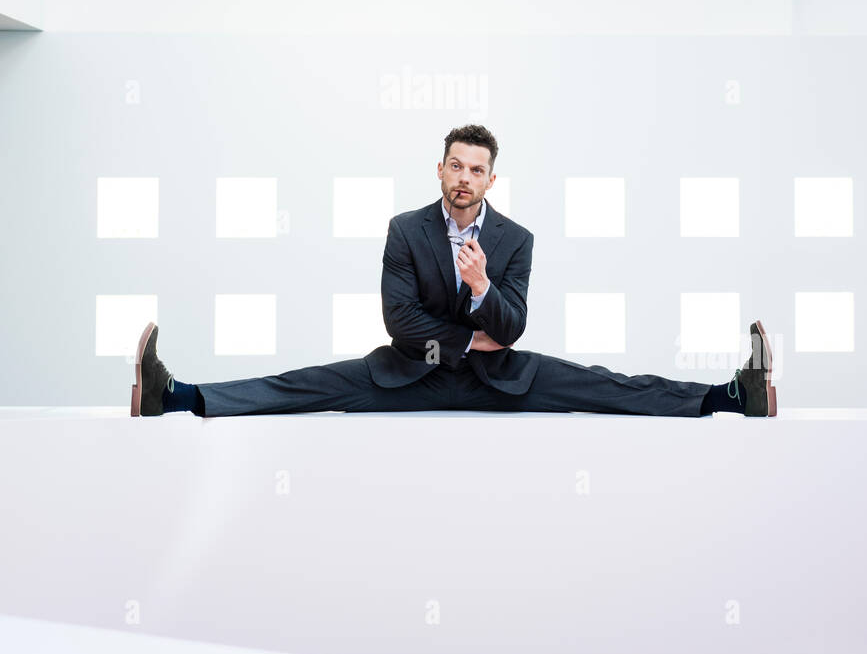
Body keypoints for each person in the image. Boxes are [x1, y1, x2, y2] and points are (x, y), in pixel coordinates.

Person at [130, 124, 776, 420]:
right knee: (307, 384)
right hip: (409, 379)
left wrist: (482, 290)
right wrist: (466, 338)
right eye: (454, 165)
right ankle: (176, 396)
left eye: (476, 169)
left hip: (504, 381)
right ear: (438, 169)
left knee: (604, 384)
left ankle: (729, 396)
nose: (463, 178)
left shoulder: (514, 240)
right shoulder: (405, 230)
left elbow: (514, 328)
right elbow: (400, 320)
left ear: (490, 178)